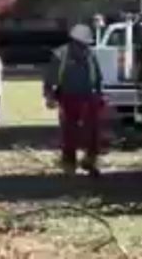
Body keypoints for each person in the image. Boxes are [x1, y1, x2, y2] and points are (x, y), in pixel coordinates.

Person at [42, 24, 105, 177]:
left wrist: (99, 95)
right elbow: (50, 79)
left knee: (93, 132)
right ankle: (69, 164)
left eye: (85, 44)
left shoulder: (90, 54)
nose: (84, 47)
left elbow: (98, 77)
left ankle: (90, 161)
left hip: (89, 97)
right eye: (82, 44)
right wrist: (49, 96)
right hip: (67, 98)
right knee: (69, 132)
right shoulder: (60, 54)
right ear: (74, 41)